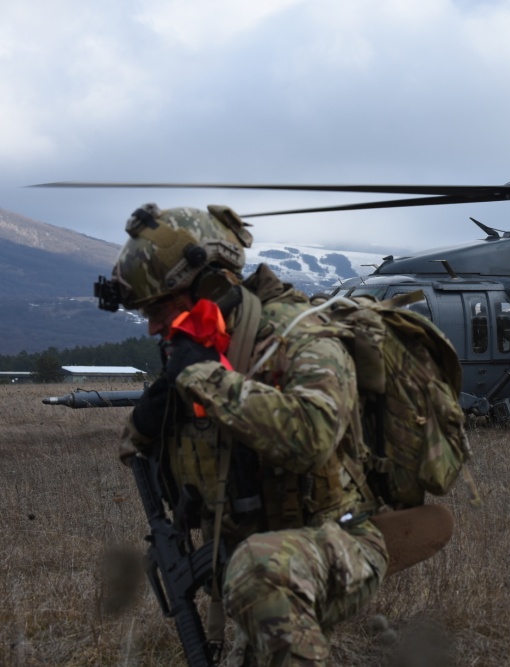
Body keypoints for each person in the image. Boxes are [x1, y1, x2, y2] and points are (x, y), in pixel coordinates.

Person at [101, 203, 387, 665]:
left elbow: (313, 438)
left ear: (211, 285)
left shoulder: (298, 334)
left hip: (339, 543)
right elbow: (135, 447)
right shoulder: (200, 348)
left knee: (258, 572)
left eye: (159, 306)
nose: (153, 325)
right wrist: (146, 420)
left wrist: (206, 379)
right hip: (248, 563)